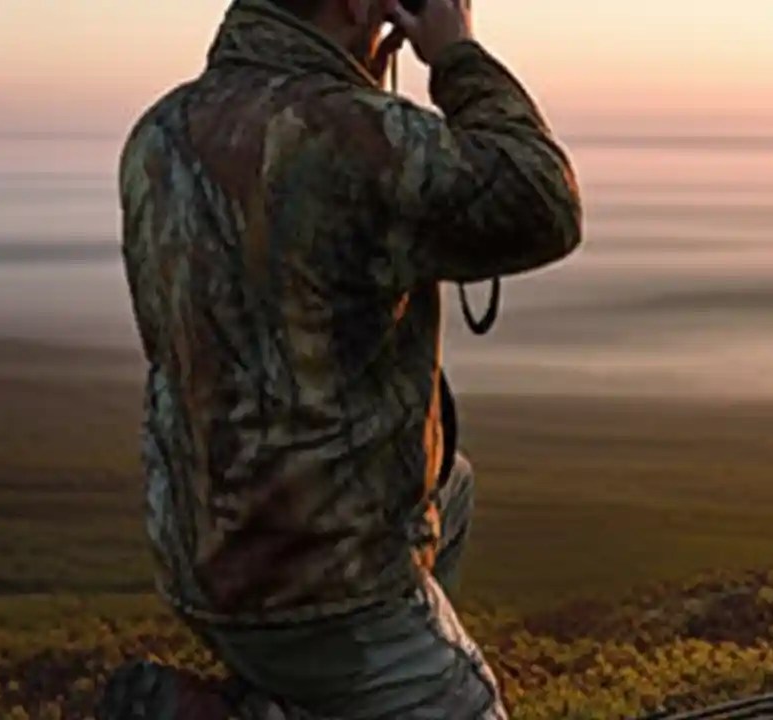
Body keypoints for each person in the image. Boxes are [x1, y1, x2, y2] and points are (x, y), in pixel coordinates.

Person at [107, 0, 582, 716]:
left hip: (199, 559)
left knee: (451, 491)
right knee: (471, 704)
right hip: (320, 588)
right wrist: (455, 57)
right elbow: (544, 202)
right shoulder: (352, 135)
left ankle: (298, 691)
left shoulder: (158, 133)